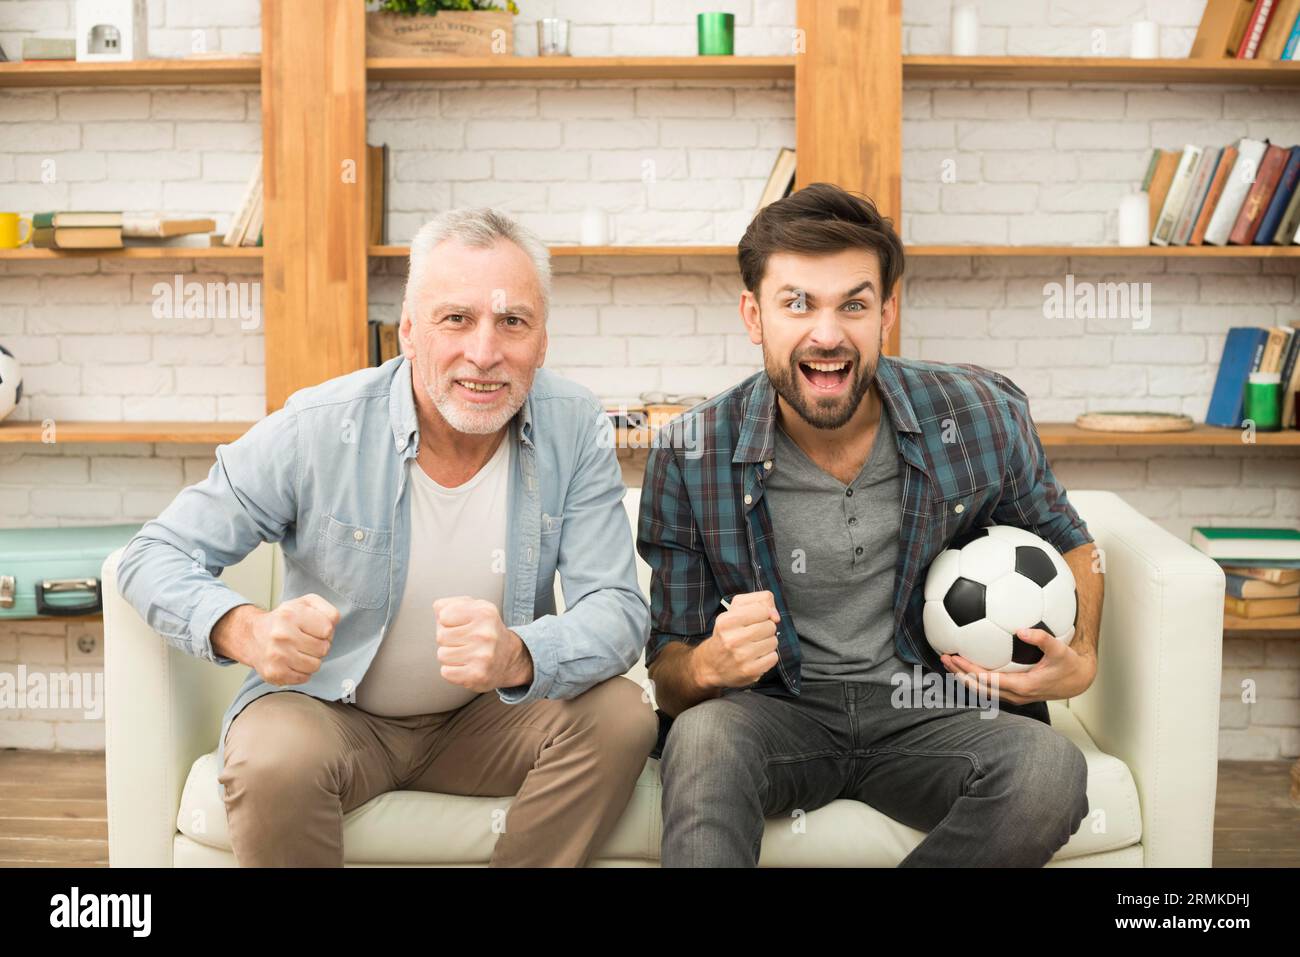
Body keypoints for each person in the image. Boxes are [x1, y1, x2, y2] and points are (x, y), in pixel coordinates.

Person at [117, 208, 657, 867]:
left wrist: (519, 654)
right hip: (333, 713)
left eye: (512, 321)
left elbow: (619, 610)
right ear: (407, 331)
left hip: (490, 719)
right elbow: (154, 554)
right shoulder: (320, 426)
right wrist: (247, 629)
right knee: (272, 760)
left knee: (624, 715)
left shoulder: (576, 427)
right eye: (455, 318)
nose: (484, 353)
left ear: (542, 341)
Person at [638, 182, 1104, 867]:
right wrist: (708, 661)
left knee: (1050, 771)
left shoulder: (976, 415)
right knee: (703, 739)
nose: (827, 334)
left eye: (852, 304)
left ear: (886, 311)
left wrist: (1084, 656)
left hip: (933, 708)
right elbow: (668, 672)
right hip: (776, 714)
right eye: (796, 302)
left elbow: (1075, 543)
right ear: (753, 314)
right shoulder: (692, 452)